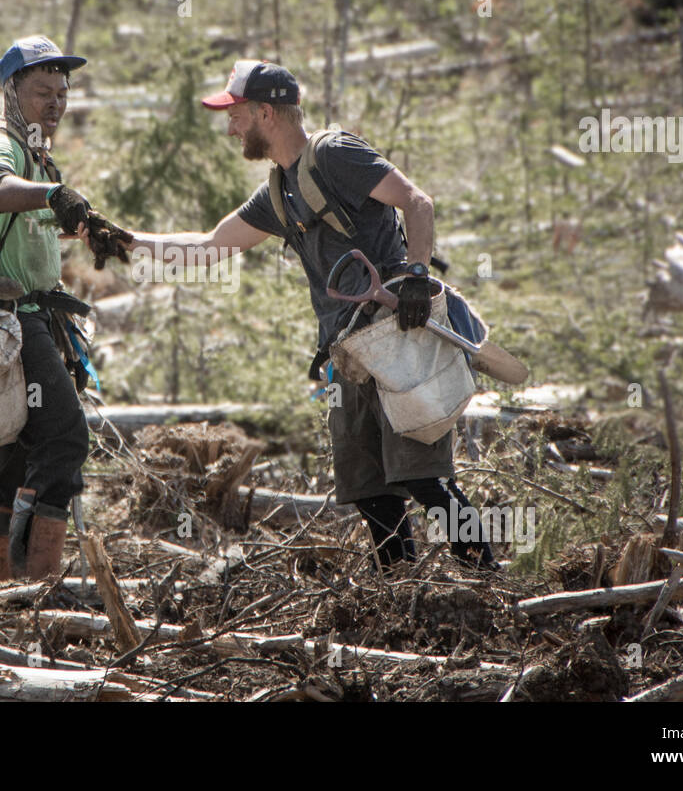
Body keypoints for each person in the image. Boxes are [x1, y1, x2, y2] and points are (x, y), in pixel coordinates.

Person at [123, 59, 499, 571]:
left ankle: (487, 579)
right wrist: (117, 240)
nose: (230, 127)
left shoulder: (336, 154)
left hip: (400, 338)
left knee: (422, 477)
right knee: (368, 488)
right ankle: (401, 589)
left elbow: (417, 201)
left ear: (266, 113)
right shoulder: (279, 190)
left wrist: (415, 275)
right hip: (347, 355)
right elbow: (209, 246)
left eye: (235, 115)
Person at [0, 34, 124, 580]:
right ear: (11, 91)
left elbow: (32, 222)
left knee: (22, 448)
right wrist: (53, 195)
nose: (55, 103)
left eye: (62, 93)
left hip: (29, 315)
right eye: (42, 91)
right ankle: (37, 579)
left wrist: (87, 226)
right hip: (8, 318)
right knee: (67, 438)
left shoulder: (36, 154)